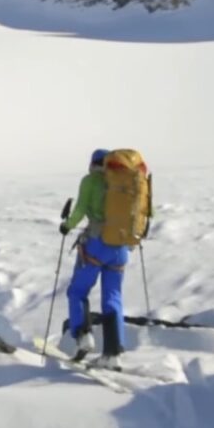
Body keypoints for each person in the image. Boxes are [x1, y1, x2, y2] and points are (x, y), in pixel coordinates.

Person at [60, 148, 130, 369]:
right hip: (121, 247)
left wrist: (67, 226)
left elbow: (80, 208)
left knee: (78, 291)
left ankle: (83, 337)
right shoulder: (126, 182)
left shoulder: (91, 181)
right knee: (113, 297)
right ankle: (113, 353)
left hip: (96, 244)